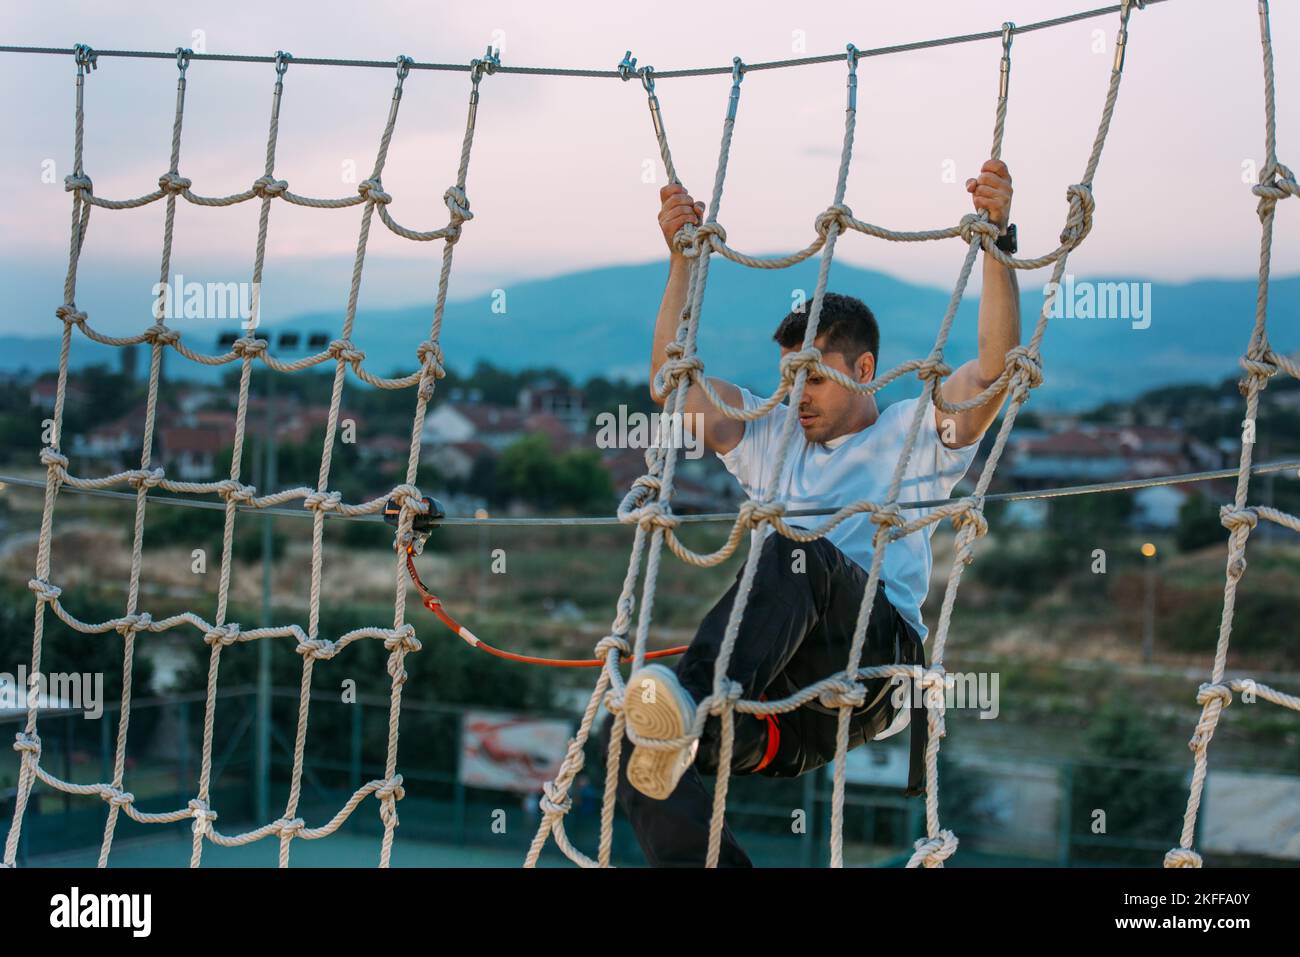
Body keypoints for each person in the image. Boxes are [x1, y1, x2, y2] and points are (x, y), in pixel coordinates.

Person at [599, 160, 1021, 867]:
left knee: (794, 549)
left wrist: (997, 241)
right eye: (789, 377)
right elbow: (672, 386)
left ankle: (694, 698)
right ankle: (693, 744)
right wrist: (682, 264)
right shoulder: (773, 437)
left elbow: (997, 364)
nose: (798, 394)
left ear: (864, 371)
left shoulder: (912, 434)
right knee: (634, 746)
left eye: (814, 376)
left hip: (876, 663)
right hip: (786, 707)